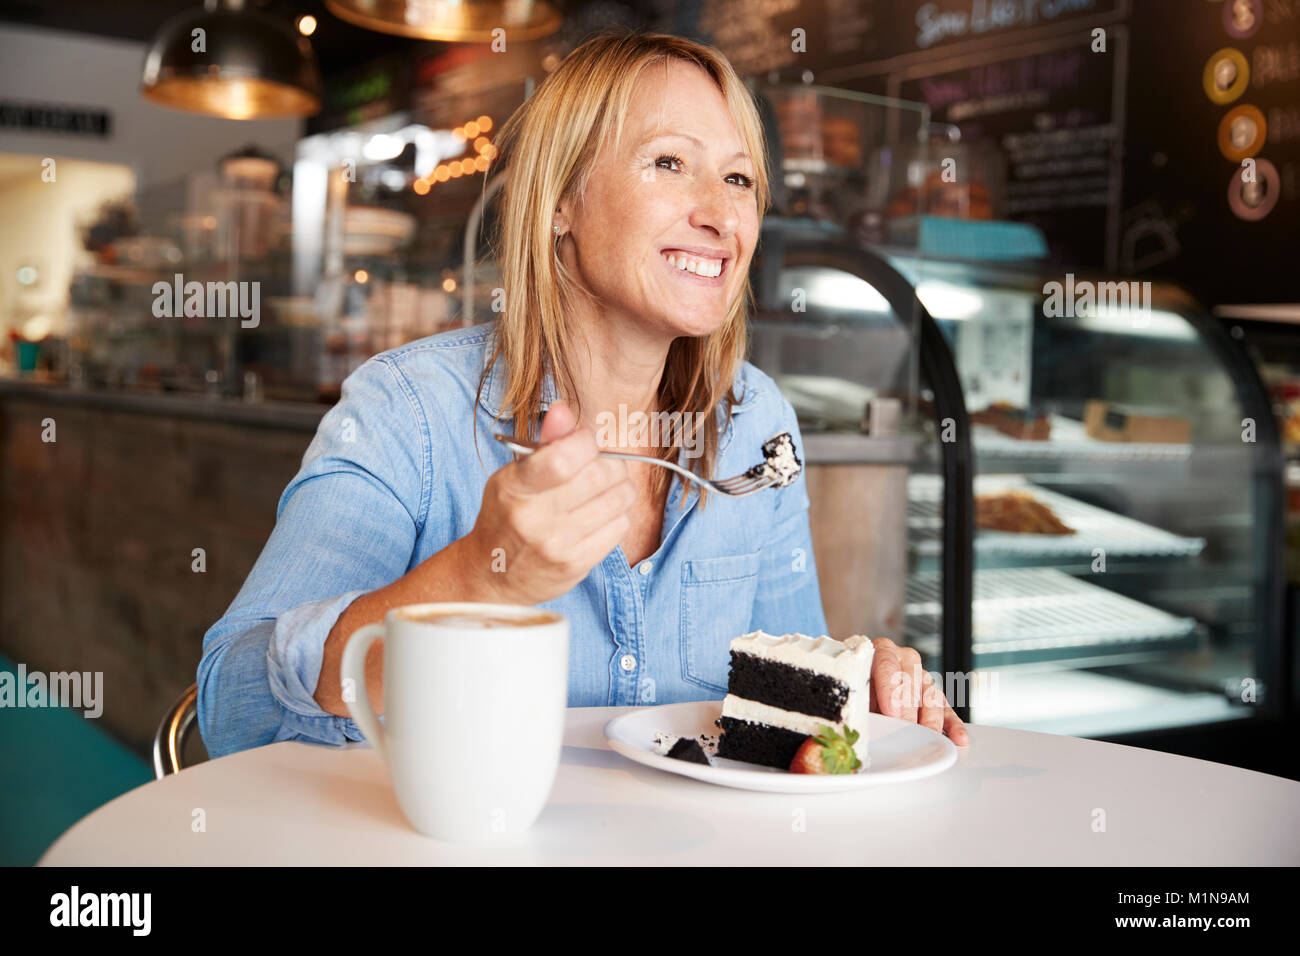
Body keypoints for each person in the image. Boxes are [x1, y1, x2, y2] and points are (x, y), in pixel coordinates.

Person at [198, 31, 969, 758]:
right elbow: (233, 708)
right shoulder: (409, 410)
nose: (719, 212)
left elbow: (784, 705)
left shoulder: (755, 425)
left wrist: (856, 690)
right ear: (561, 199)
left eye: (739, 178)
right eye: (669, 162)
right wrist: (479, 580)